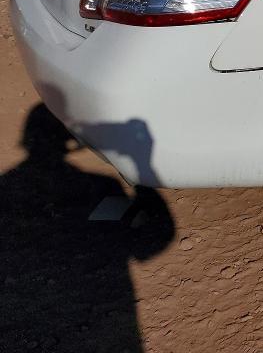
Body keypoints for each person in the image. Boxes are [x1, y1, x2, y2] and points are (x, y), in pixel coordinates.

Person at [0, 106, 174, 352]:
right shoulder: (103, 186)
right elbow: (153, 242)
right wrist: (142, 169)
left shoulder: (6, 189)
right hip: (101, 320)